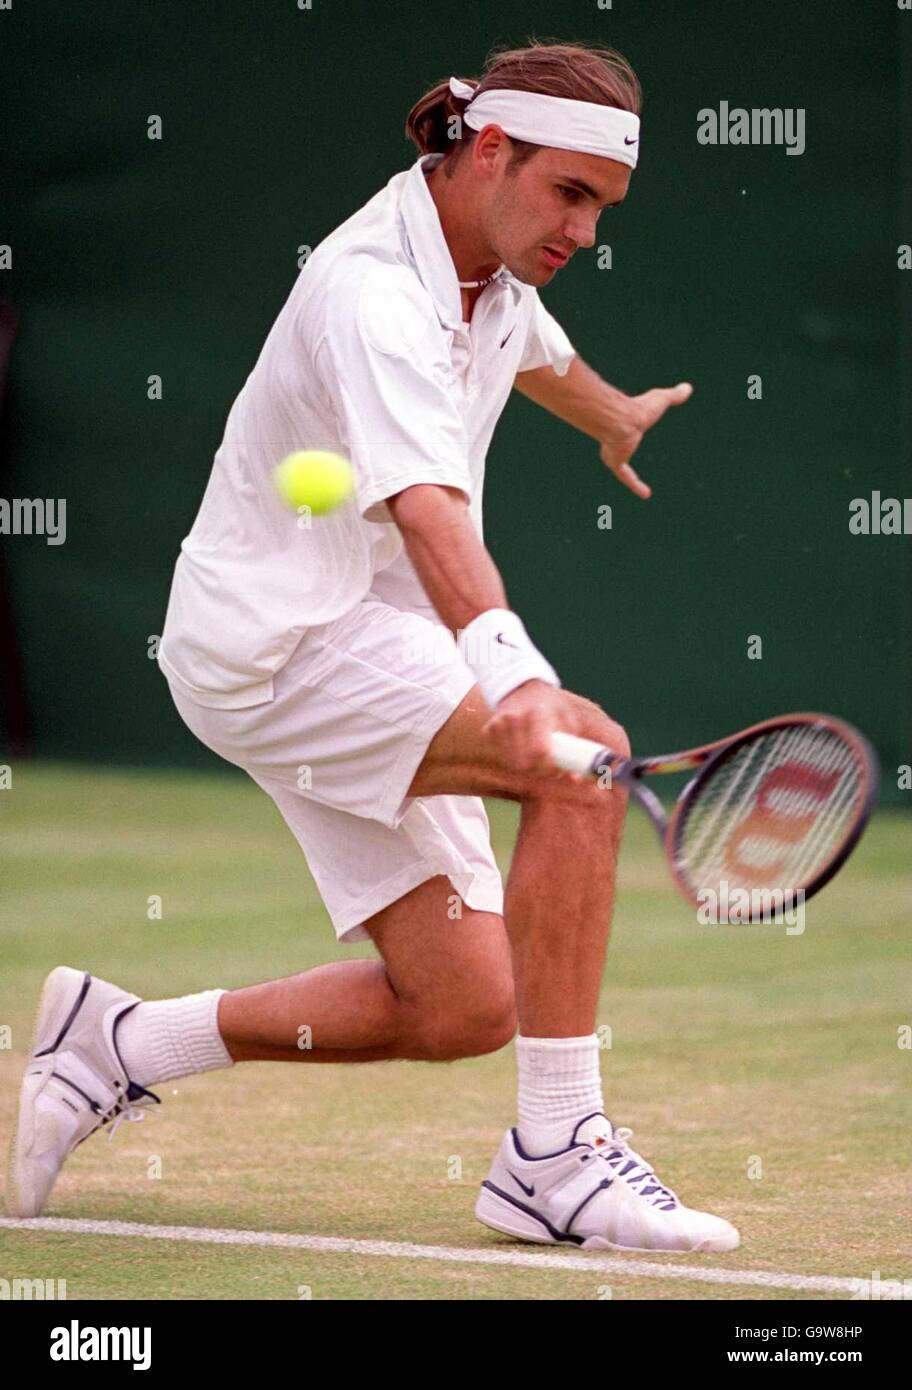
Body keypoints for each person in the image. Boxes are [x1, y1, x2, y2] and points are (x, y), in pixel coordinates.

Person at [7, 40, 738, 1253]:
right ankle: (556, 1157)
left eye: (602, 208)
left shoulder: (487, 271)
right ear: (490, 151)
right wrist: (515, 678)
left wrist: (612, 411)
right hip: (274, 645)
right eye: (570, 194)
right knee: (585, 759)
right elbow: (424, 505)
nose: (585, 230)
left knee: (462, 1004)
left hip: (362, 639)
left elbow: (536, 349)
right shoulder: (371, 290)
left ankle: (116, 1042)